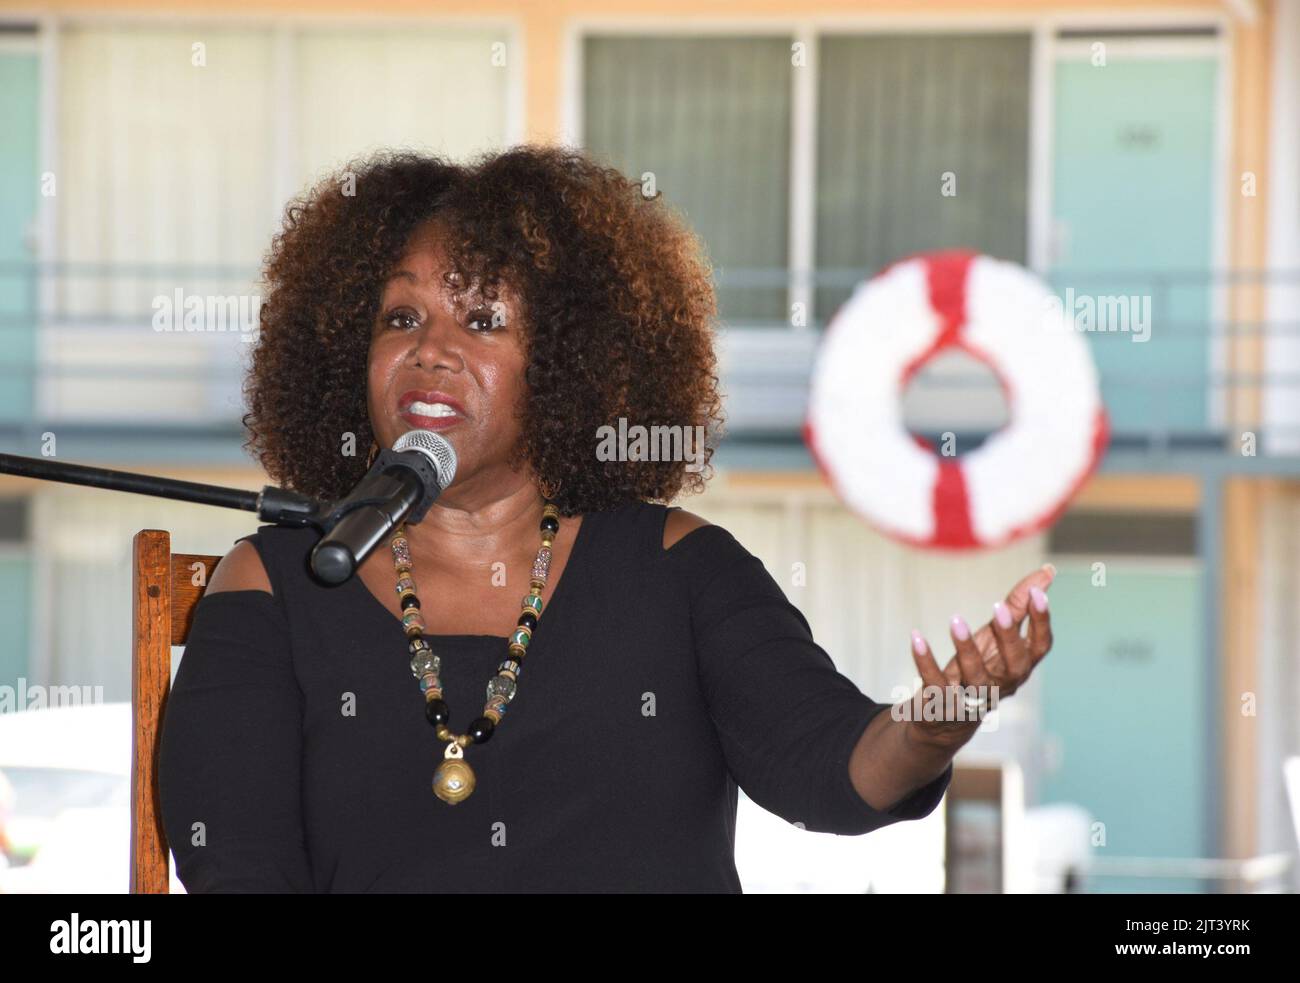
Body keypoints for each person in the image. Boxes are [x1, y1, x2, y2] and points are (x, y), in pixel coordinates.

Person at [158, 145, 1054, 893]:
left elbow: (832, 772)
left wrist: (939, 717)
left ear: (573, 365)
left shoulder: (681, 569)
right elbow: (232, 862)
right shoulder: (276, 582)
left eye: (483, 319)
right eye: (402, 316)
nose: (431, 348)